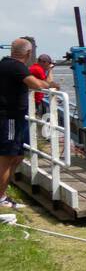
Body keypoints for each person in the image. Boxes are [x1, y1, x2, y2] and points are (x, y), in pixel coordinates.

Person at [0, 39, 57, 209]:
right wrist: (50, 83)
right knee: (6, 158)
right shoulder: (16, 67)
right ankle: (0, 198)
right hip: (9, 118)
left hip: (14, 118)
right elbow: (37, 84)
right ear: (28, 53)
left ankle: (2, 194)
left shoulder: (5, 64)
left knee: (17, 157)